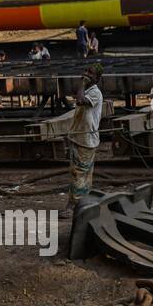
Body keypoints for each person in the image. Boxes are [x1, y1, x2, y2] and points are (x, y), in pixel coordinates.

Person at [66, 62, 105, 210]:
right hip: (79, 137)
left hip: (86, 139)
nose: (87, 74)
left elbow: (80, 101)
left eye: (91, 73)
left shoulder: (95, 93)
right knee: (80, 173)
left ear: (97, 78)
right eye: (86, 71)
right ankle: (82, 203)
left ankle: (76, 206)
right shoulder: (88, 91)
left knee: (79, 173)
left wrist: (82, 83)